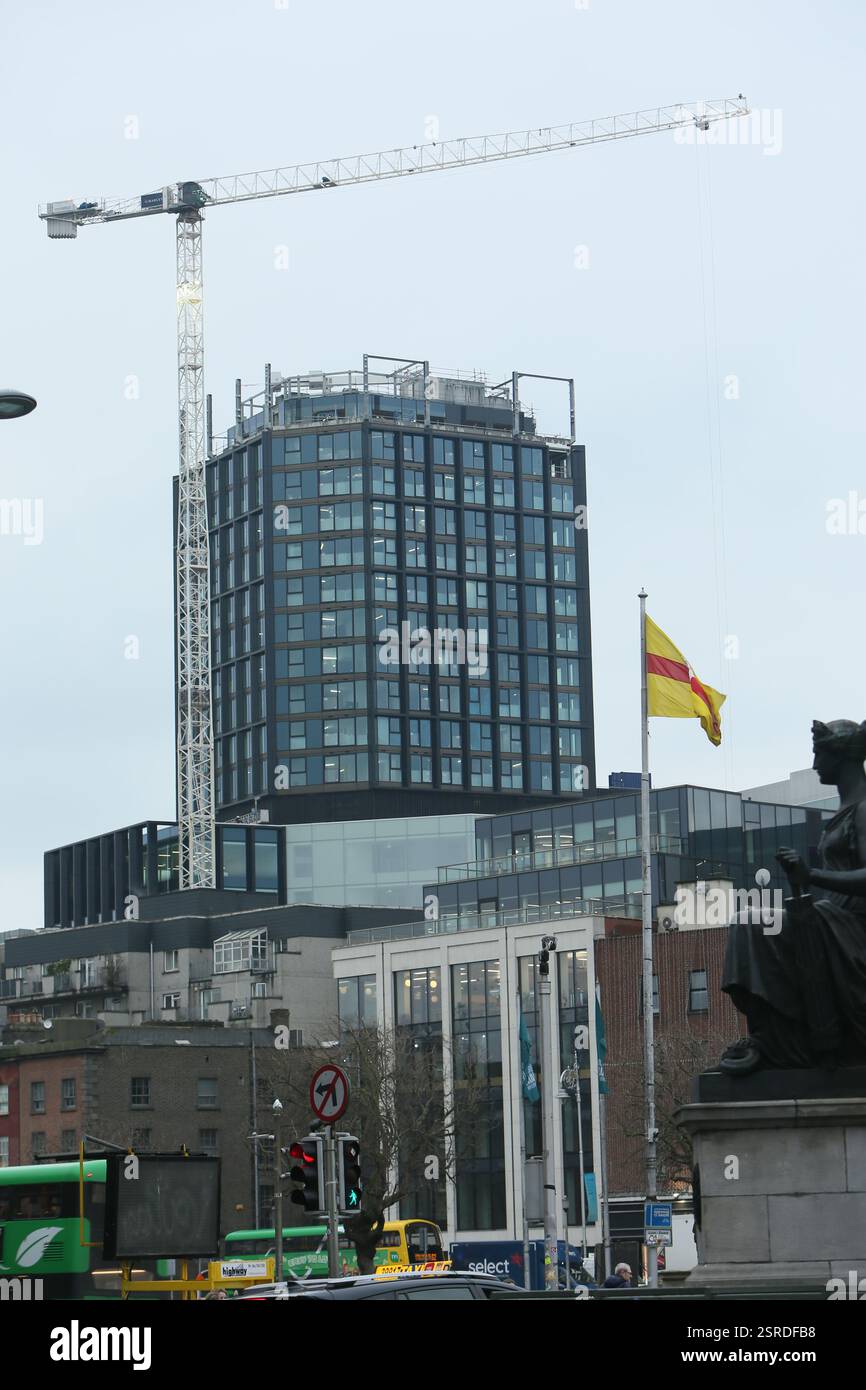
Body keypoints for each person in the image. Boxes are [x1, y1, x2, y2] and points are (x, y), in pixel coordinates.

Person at [721, 719, 866, 1074]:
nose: (815, 764)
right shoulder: (846, 809)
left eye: (819, 754)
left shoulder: (863, 810)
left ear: (841, 756)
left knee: (755, 925)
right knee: (750, 922)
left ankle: (778, 1040)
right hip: (828, 919)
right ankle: (774, 1036)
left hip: (851, 931)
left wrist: (810, 874)